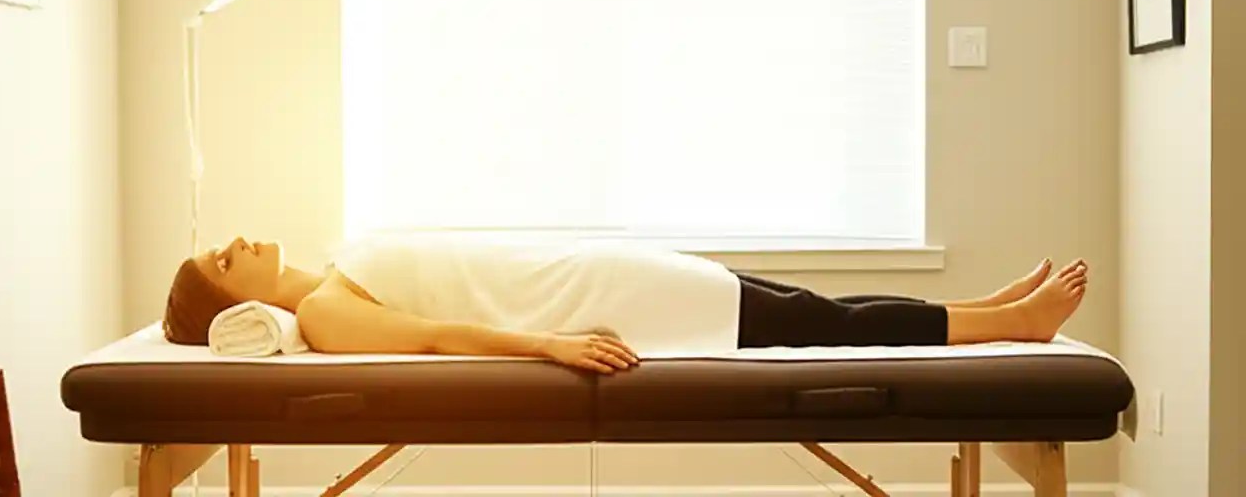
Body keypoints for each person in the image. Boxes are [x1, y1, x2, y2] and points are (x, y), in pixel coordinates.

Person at [162, 231, 1088, 375]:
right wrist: (553, 347)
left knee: (812, 305)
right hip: (601, 303)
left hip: (602, 272)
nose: (240, 241)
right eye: (223, 257)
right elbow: (442, 335)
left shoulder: (330, 269)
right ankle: (1010, 324)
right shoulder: (325, 315)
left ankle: (985, 307)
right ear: (229, 299)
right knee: (819, 321)